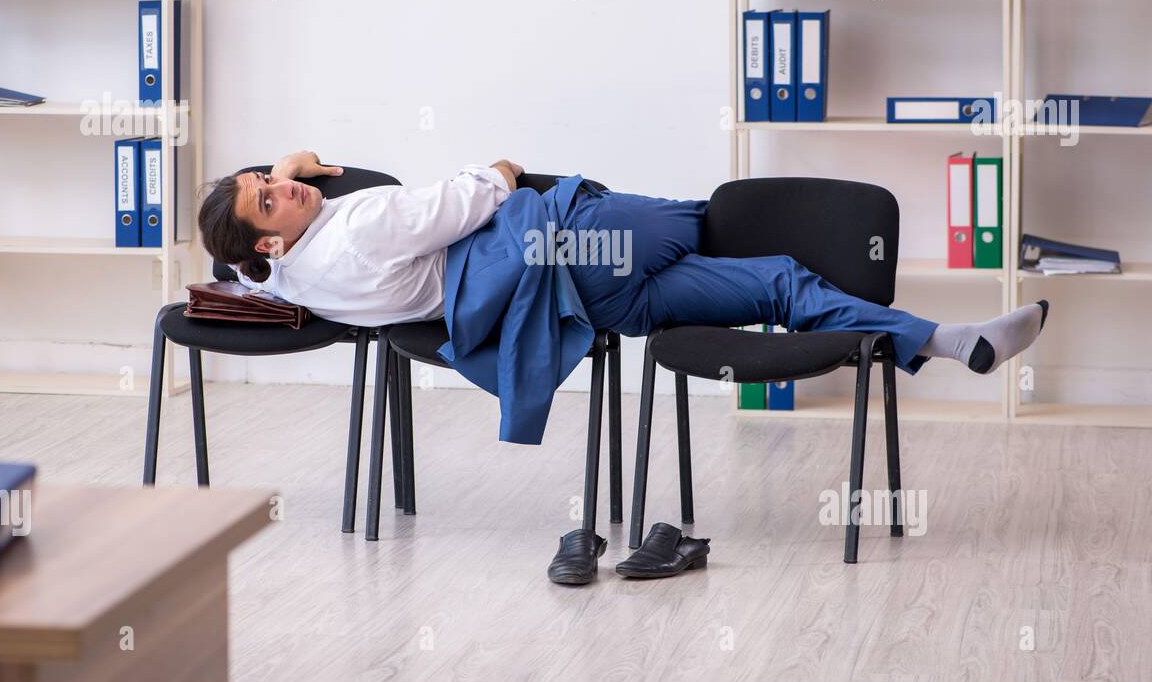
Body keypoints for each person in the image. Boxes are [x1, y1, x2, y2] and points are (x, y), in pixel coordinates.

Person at [198, 152, 1048, 581]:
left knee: (779, 280)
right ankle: (913, 328)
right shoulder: (360, 225)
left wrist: (281, 173)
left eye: (268, 180)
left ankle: (947, 340)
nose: (288, 186)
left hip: (582, 304)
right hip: (564, 254)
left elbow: (241, 251)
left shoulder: (283, 268)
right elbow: (479, 191)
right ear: (270, 234)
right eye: (271, 196)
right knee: (691, 221)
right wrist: (499, 167)